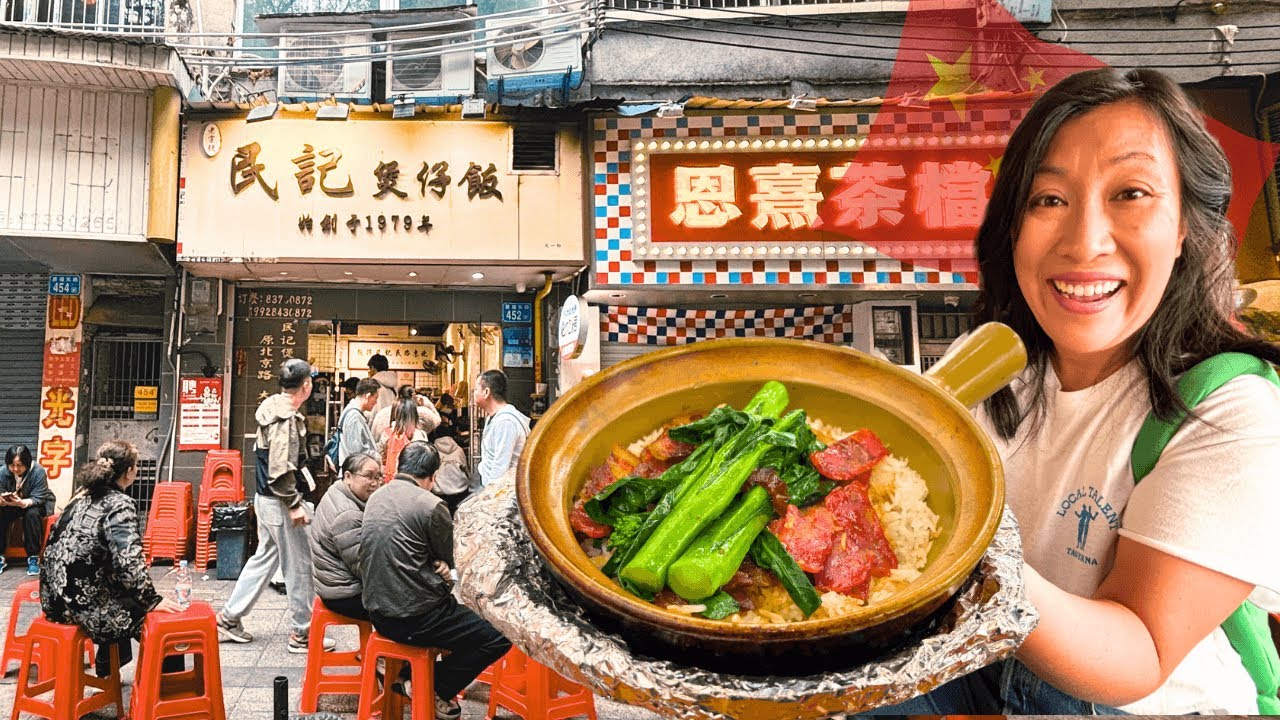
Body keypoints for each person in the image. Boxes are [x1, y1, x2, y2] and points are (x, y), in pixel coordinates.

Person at [878, 67, 1280, 715]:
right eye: (1048, 200)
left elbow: (1140, 653)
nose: (1084, 241)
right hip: (989, 655)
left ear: (1184, 229)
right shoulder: (989, 363)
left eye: (1131, 193)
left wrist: (966, 554)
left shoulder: (1231, 408)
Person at [360, 441, 511, 720]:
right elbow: (450, 557)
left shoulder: (376, 497)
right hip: (415, 617)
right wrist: (440, 566)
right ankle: (432, 685)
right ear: (434, 475)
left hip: (377, 613)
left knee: (462, 622)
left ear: (398, 467)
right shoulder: (431, 505)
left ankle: (411, 677)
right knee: (498, 636)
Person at [216, 358, 332, 654]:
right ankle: (303, 633)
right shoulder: (286, 419)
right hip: (281, 503)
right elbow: (280, 468)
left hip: (266, 501)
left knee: (264, 559)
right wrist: (294, 504)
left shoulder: (272, 407)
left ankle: (229, 618)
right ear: (306, 386)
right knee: (299, 566)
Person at [40, 441, 185, 676]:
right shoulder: (120, 504)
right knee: (162, 624)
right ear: (128, 472)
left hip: (54, 603)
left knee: (120, 595)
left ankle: (107, 672)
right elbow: (129, 562)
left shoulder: (80, 496)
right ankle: (168, 691)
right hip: (83, 608)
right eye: (136, 466)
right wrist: (152, 600)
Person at [310, 452, 382, 621]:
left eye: (378, 477)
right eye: (368, 476)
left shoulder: (337, 490)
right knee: (409, 605)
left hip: (333, 584)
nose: (375, 483)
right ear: (348, 476)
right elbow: (363, 567)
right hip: (345, 595)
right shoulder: (347, 514)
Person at [0, 444, 55, 575]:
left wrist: (22, 503)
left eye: (19, 465)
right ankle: (1, 555)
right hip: (12, 505)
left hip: (34, 504)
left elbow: (40, 497)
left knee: (32, 514)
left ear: (27, 463)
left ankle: (33, 557)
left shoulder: (38, 471)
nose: (15, 469)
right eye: (12, 465)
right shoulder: (3, 472)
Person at [474, 370, 530, 488]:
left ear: (486, 392)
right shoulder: (494, 417)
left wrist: (490, 497)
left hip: (502, 492)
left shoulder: (506, 422)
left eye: (476, 389)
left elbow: (500, 466)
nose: (474, 394)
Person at [375, 385, 430, 484]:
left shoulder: (387, 433)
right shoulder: (419, 434)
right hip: (413, 481)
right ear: (414, 415)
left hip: (390, 480)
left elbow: (380, 455)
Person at [372, 386, 441, 440]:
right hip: (412, 454)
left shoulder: (384, 412)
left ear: (398, 396)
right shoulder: (420, 413)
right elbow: (437, 421)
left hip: (389, 453)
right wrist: (426, 402)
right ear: (414, 396)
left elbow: (375, 436)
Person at [339, 378, 381, 466]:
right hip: (355, 471)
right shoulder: (354, 416)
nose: (376, 402)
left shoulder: (353, 412)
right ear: (368, 396)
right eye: (375, 398)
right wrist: (377, 457)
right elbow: (357, 451)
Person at [431, 435, 474, 516]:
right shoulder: (459, 450)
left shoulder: (433, 451)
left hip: (440, 491)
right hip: (460, 489)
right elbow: (465, 467)